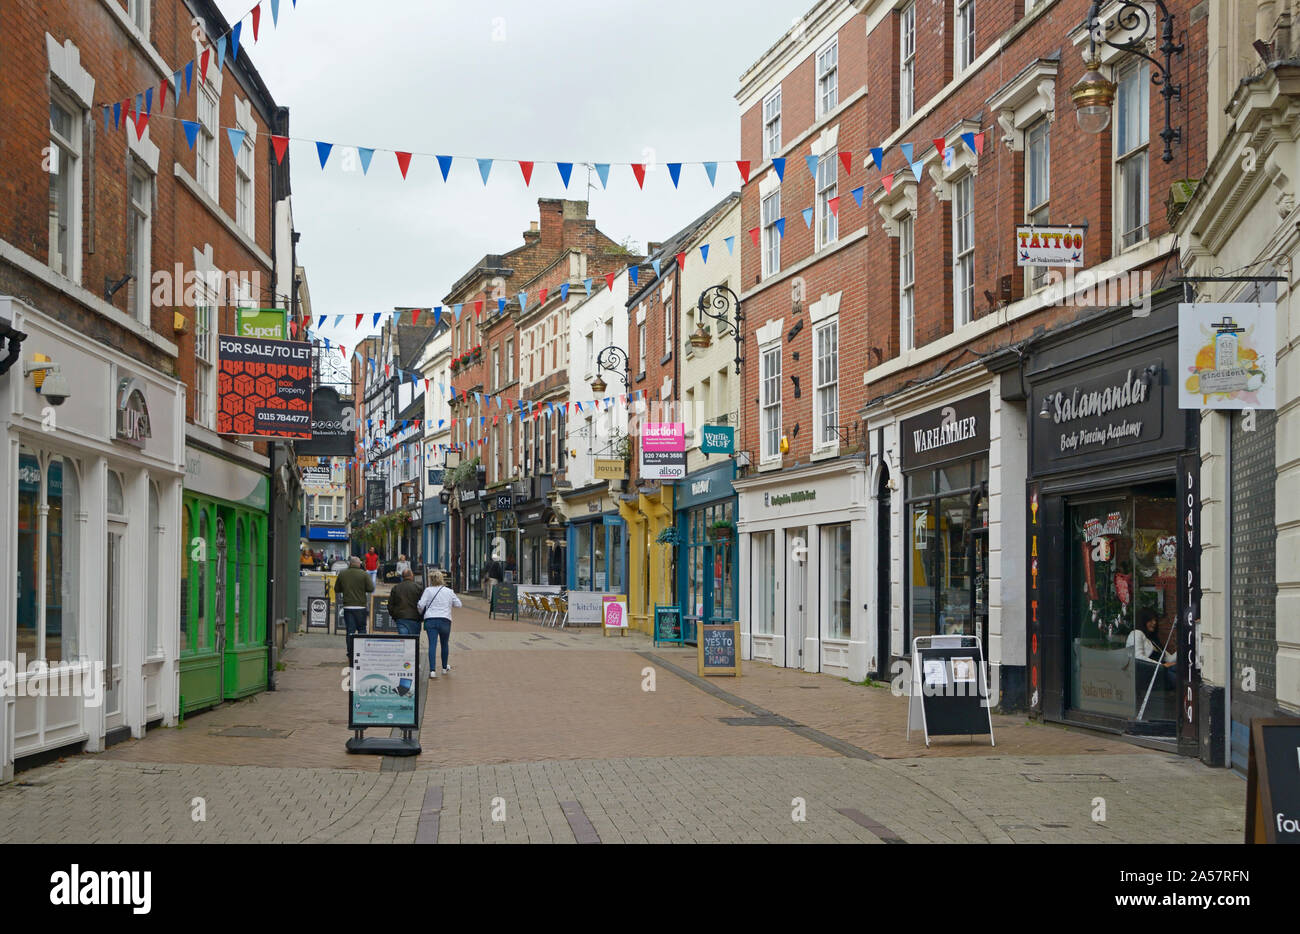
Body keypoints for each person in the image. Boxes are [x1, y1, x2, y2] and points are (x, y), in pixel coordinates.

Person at [417, 570, 462, 678]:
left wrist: (421, 612)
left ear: (431, 580)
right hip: (445, 620)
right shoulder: (449, 591)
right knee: (444, 644)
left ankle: (432, 671)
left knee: (432, 644)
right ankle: (444, 668)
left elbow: (421, 605)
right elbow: (459, 604)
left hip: (431, 620)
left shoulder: (428, 590)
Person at [335, 556, 374, 663]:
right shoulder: (364, 574)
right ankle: (361, 652)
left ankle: (350, 654)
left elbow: (336, 589)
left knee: (350, 631)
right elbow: (371, 588)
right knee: (362, 629)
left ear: (350, 564)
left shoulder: (343, 574)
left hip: (348, 606)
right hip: (361, 606)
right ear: (358, 564)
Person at [1127, 608, 1176, 692]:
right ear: (1143, 621)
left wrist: (1184, 645)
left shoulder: (1153, 641)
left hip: (1160, 672)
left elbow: (1169, 659)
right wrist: (1161, 665)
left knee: (1181, 669)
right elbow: (1138, 657)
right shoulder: (1137, 633)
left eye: (1155, 620)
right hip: (1149, 675)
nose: (1154, 623)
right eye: (1150, 620)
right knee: (1179, 680)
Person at [388, 568, 424, 637]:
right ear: (412, 576)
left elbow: (390, 605)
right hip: (415, 618)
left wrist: (394, 615)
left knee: (403, 642)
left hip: (401, 618)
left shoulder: (396, 588)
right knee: (414, 642)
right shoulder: (418, 588)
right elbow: (422, 604)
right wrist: (421, 617)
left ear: (402, 577)